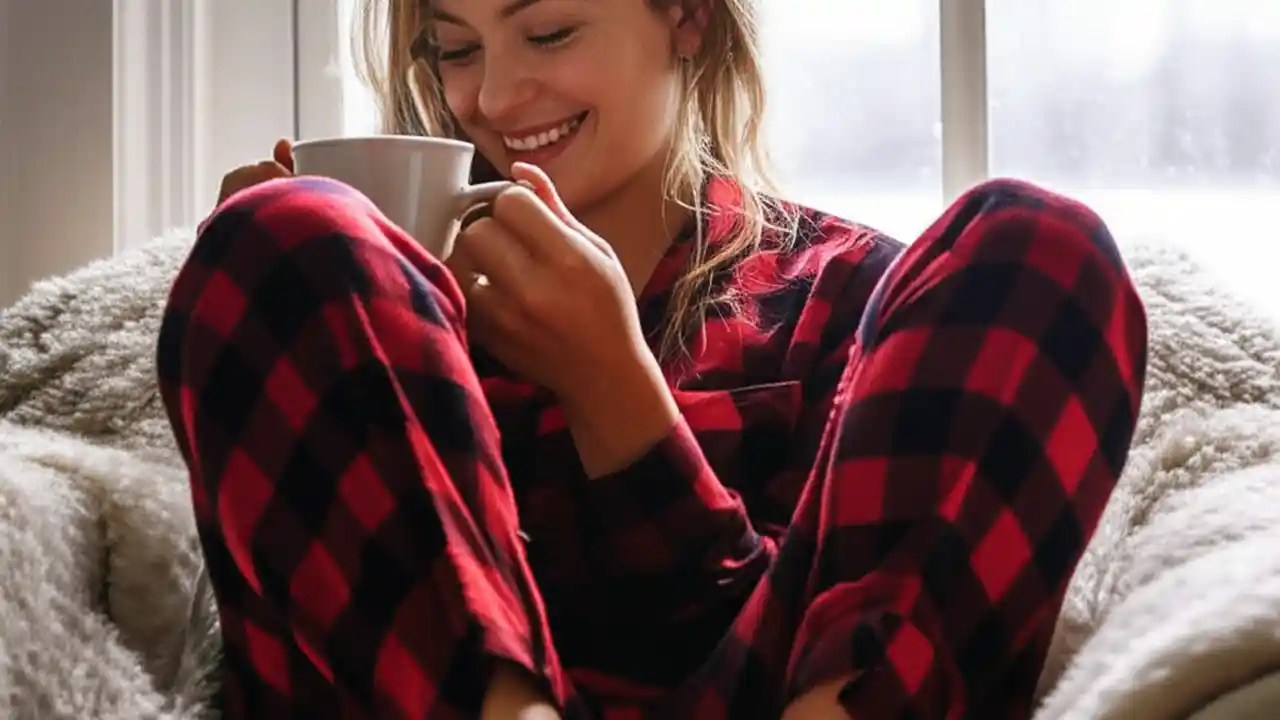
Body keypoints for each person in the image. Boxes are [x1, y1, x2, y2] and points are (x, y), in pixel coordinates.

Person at [156, 0, 1148, 717]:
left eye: (546, 32)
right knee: (280, 230)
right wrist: (300, 289)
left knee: (1036, 242)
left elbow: (750, 653)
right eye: (453, 48)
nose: (492, 98)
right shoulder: (395, 309)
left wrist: (615, 398)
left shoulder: (840, 303)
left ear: (686, 15)